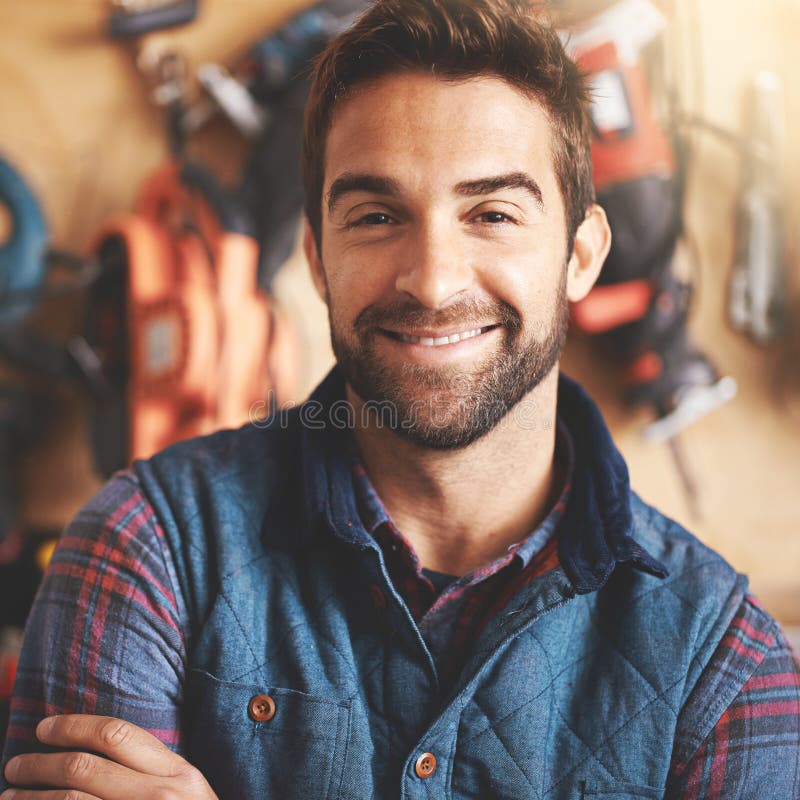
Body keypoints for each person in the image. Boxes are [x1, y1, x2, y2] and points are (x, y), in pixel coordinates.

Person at [2, 1, 799, 797]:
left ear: (581, 256)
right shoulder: (147, 548)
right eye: (377, 216)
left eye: (492, 214)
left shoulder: (725, 668)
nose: (432, 279)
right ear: (317, 260)